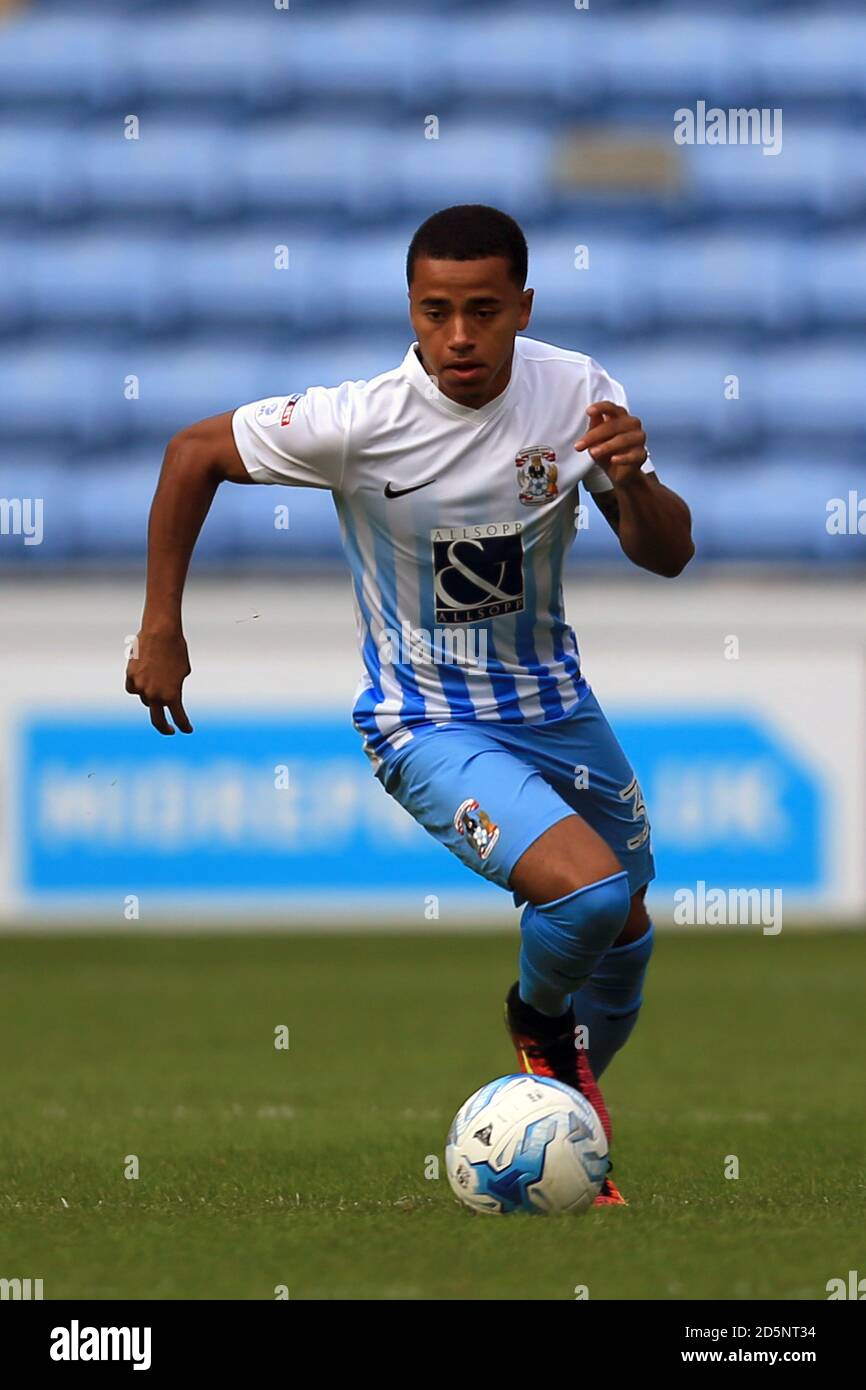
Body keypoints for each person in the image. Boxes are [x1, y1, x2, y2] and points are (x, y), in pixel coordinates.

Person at [126, 204, 695, 1205]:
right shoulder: (360, 421)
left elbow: (667, 553)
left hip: (556, 707)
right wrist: (161, 628)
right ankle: (539, 1032)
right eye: (437, 312)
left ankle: (559, 1107)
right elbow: (191, 454)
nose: (459, 336)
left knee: (629, 920)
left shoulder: (577, 393)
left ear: (522, 307)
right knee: (589, 894)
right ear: (412, 310)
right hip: (424, 721)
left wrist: (631, 476)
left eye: (482, 310)